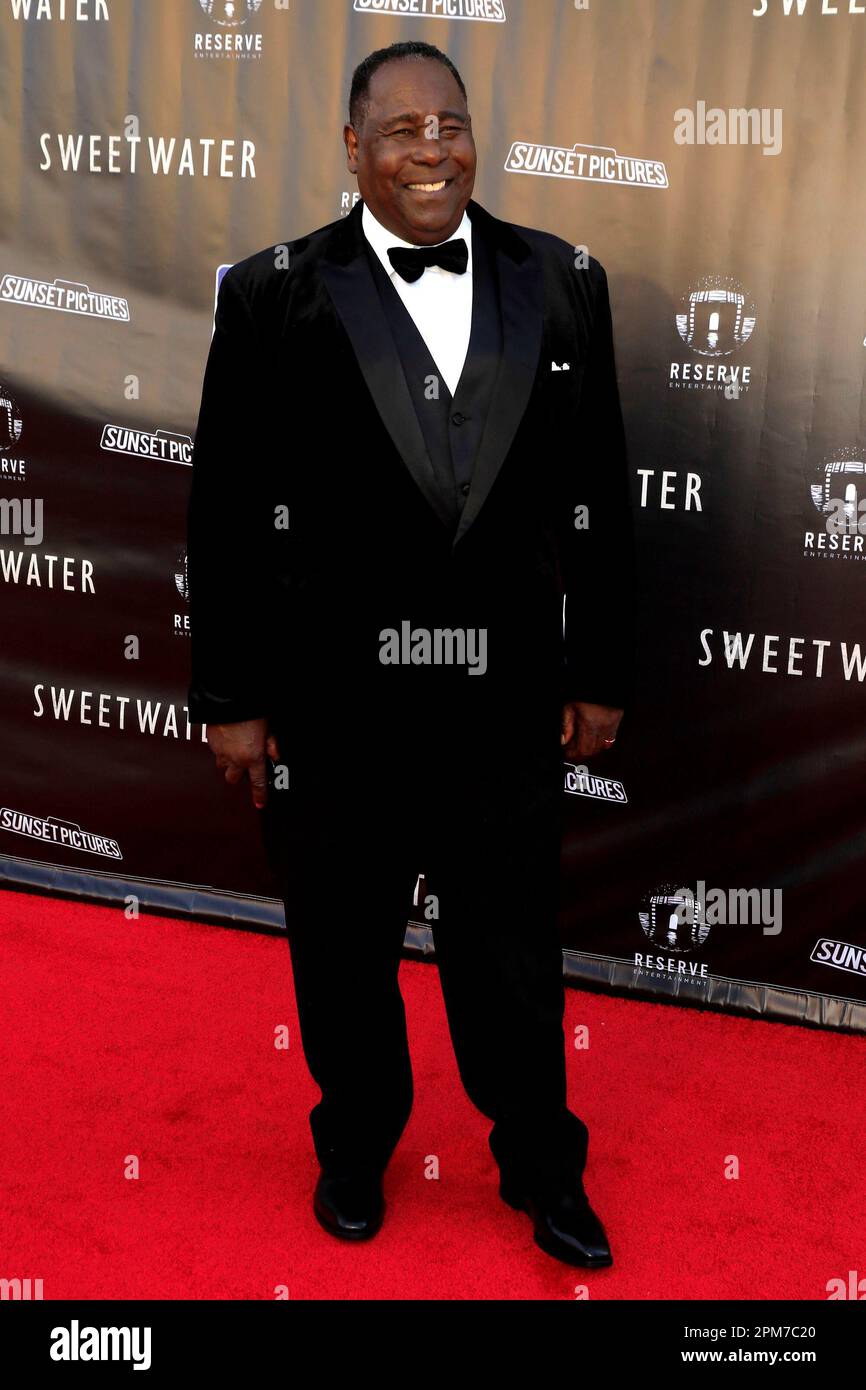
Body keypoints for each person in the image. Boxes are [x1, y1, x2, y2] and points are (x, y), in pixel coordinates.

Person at [186, 39, 637, 1270]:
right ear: (351, 147)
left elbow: (596, 491)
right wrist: (232, 697)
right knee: (341, 945)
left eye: (450, 124)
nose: (432, 149)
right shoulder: (274, 294)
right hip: (336, 708)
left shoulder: (559, 282)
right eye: (400, 130)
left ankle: (542, 1163)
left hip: (502, 701)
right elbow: (226, 510)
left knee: (511, 953)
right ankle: (354, 1145)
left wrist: (596, 670)